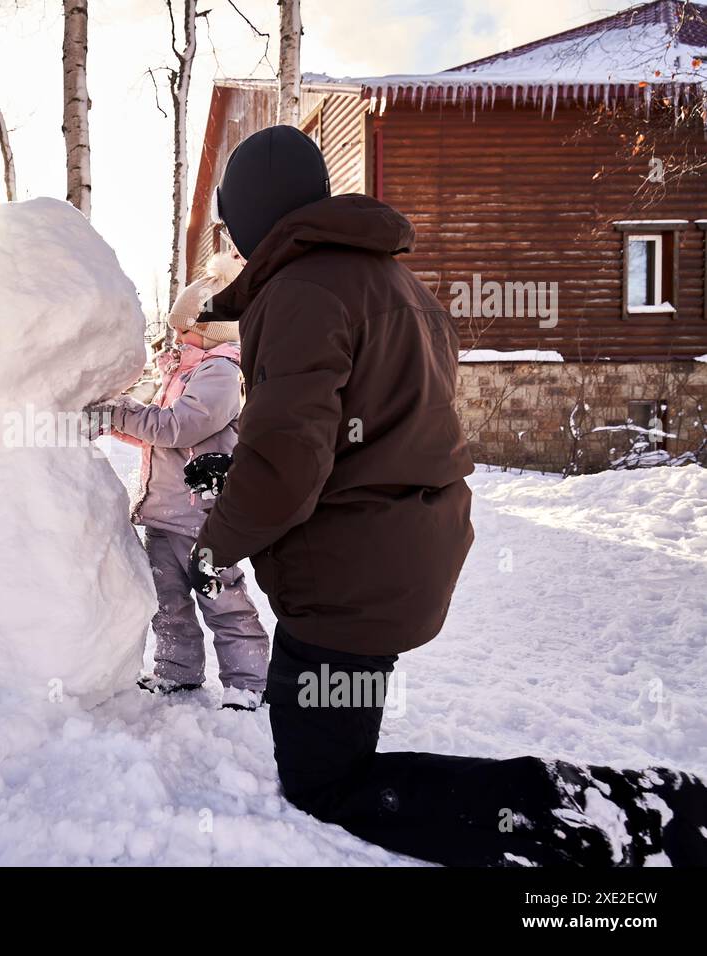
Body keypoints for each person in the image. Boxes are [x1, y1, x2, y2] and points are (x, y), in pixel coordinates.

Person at [187, 124, 707, 866]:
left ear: (251, 216)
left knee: (326, 782)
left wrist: (214, 548)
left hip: (350, 577)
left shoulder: (298, 292)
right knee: (319, 721)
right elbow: (363, 430)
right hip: (401, 553)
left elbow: (289, 459)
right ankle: (629, 815)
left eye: (233, 223)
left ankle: (616, 819)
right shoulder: (396, 284)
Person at [93, 250, 269, 711]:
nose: (176, 334)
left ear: (211, 330)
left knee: (222, 600)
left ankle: (248, 682)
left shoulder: (222, 371)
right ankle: (178, 672)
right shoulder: (185, 369)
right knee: (167, 601)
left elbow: (179, 427)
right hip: (162, 514)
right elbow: (160, 439)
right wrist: (117, 424)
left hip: (200, 516)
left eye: (185, 327)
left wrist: (121, 412)